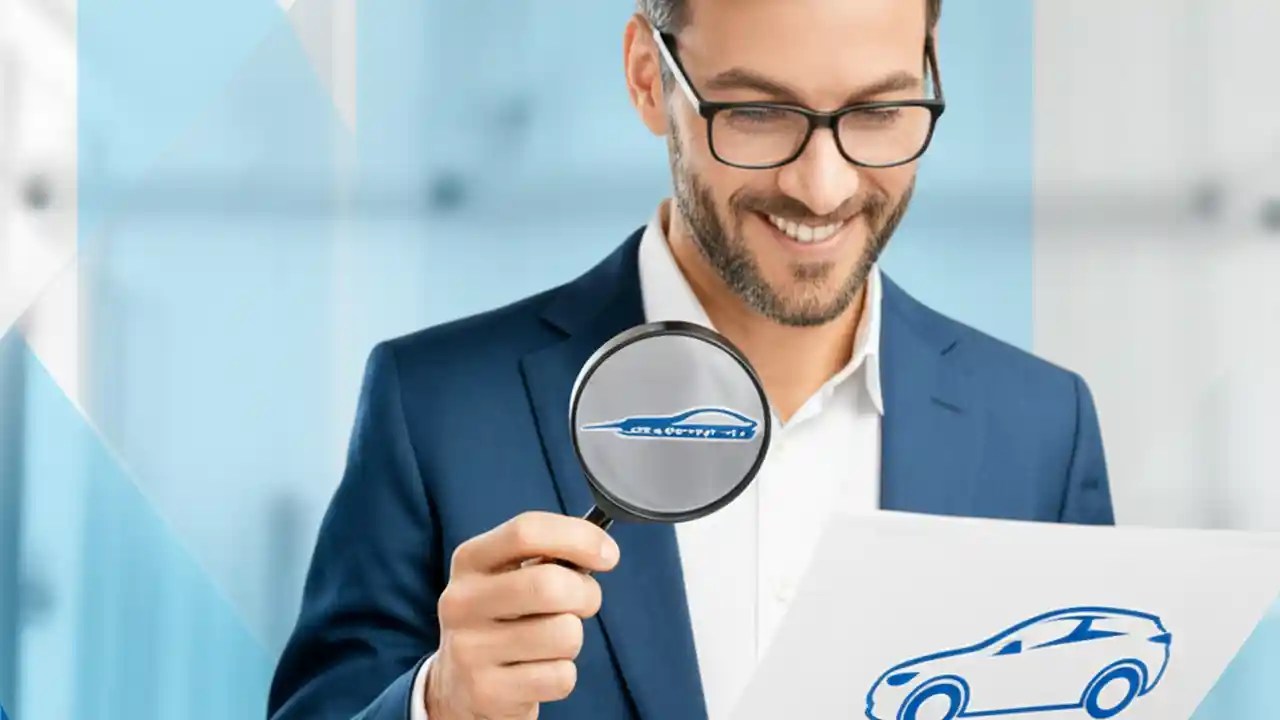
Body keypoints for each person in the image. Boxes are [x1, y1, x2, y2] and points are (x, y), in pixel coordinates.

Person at [267, 0, 1114, 718]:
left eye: (879, 111)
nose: (823, 187)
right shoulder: (438, 408)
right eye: (757, 113)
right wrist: (438, 702)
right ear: (649, 76)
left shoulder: (1043, 431)